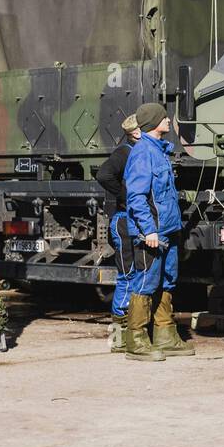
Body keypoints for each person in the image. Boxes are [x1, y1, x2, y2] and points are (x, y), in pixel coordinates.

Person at [122, 102, 194, 361]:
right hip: (152, 234)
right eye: (164, 117)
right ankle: (136, 341)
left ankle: (165, 335)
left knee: (167, 280)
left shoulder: (160, 150)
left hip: (169, 230)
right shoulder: (143, 153)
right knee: (145, 281)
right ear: (154, 123)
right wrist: (148, 230)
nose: (168, 120)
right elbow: (137, 197)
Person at [95, 113, 140, 353]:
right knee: (127, 274)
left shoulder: (139, 151)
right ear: (135, 132)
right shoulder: (124, 152)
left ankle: (132, 330)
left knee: (135, 273)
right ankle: (119, 335)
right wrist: (125, 195)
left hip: (132, 219)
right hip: (122, 220)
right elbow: (103, 175)